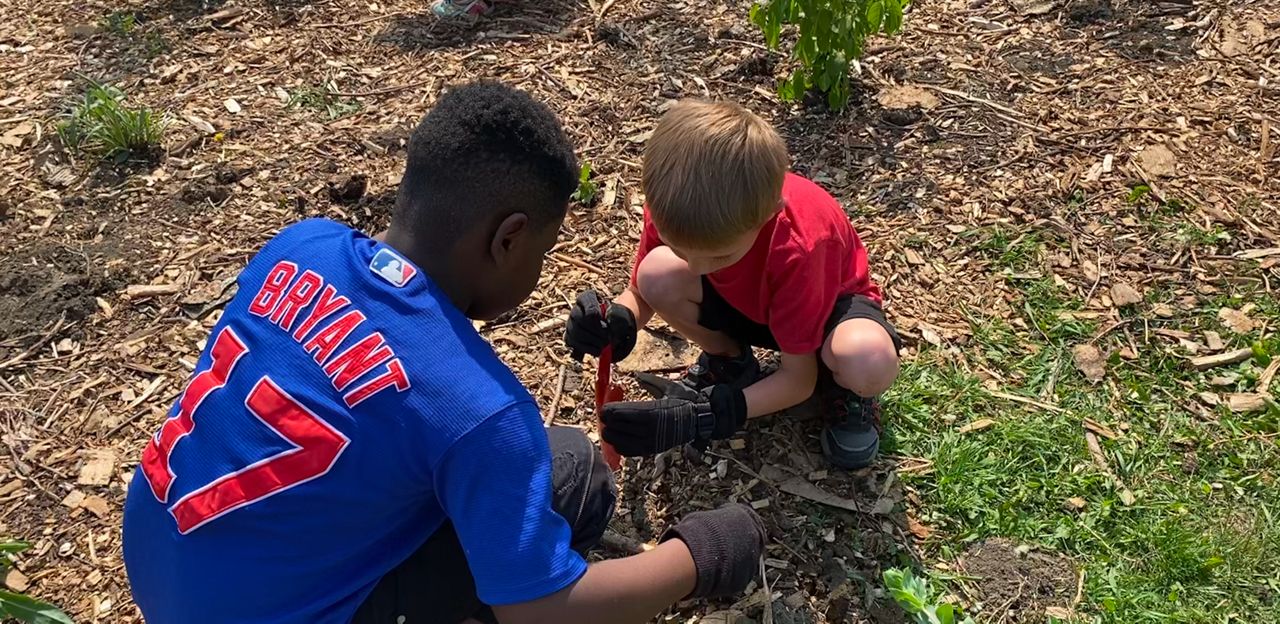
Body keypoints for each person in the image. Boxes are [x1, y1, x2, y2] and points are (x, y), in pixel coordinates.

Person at [122, 82, 767, 624]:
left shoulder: (299, 246)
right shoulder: (481, 408)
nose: (539, 269)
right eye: (542, 253)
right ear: (508, 240)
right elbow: (542, 610)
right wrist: (697, 556)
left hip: (159, 561)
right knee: (573, 474)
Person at [564, 99, 902, 470]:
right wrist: (618, 318)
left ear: (770, 216)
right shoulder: (676, 203)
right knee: (656, 271)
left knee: (867, 359)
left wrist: (706, 416)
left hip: (825, 311)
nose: (694, 266)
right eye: (680, 248)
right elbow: (642, 292)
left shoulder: (800, 246)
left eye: (718, 256)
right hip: (750, 305)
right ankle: (730, 360)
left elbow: (798, 379)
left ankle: (847, 391)